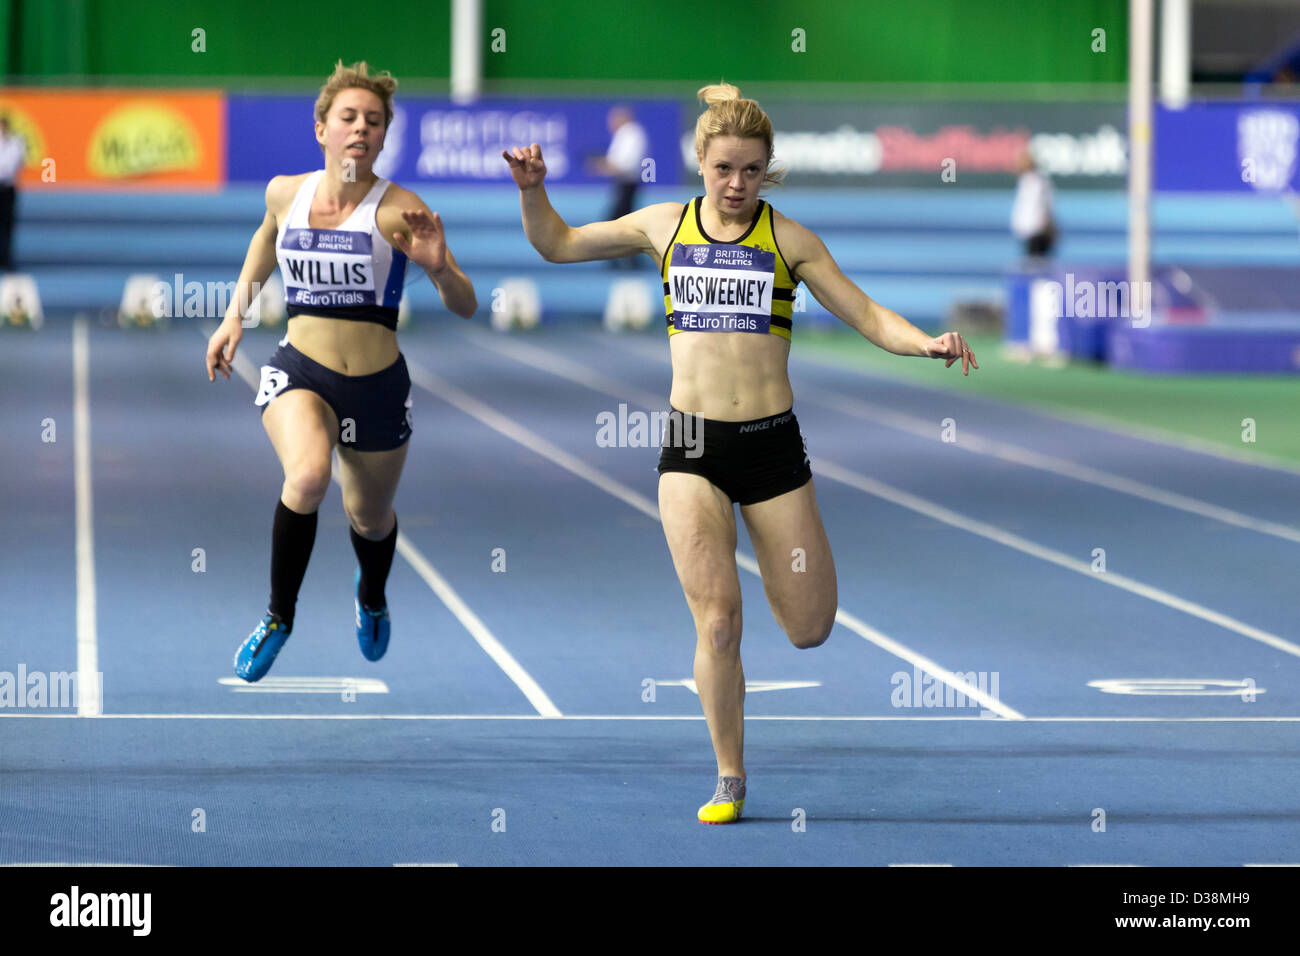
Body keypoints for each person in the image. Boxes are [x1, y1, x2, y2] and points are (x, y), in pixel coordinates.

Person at [503, 83, 977, 824]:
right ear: (700, 160)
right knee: (719, 621)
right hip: (691, 444)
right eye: (724, 168)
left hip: (771, 446)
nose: (735, 185)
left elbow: (865, 312)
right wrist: (534, 192)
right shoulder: (664, 225)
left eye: (752, 170)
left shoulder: (789, 241)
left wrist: (925, 342)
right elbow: (557, 244)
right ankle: (730, 777)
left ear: (768, 170)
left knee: (810, 627)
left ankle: (769, 607)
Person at [205, 61, 476, 682]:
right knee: (305, 478)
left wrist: (437, 267)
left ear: (384, 138)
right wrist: (233, 318)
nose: (361, 129)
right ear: (321, 129)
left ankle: (372, 595)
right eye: (348, 118)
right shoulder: (284, 192)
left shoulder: (401, 211)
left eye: (373, 122)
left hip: (378, 388)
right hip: (301, 371)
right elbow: (265, 239)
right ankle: (278, 616)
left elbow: (465, 305)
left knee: (369, 518)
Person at [588, 106, 648, 269]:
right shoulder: (627, 134)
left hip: (628, 184)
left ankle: (621, 257)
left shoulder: (631, 134)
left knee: (617, 221)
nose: (610, 123)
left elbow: (624, 164)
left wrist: (601, 166)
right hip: (624, 183)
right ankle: (625, 258)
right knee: (623, 221)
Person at [1011, 145, 1056, 259]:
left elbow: (1046, 207)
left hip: (1037, 231)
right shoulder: (1024, 181)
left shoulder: (1039, 182)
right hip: (1027, 230)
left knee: (1036, 264)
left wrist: (1046, 225)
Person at [0, 116, 26, 272]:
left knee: (7, 224)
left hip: (7, 189)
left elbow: (10, 167)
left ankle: (6, 257)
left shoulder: (15, 144)